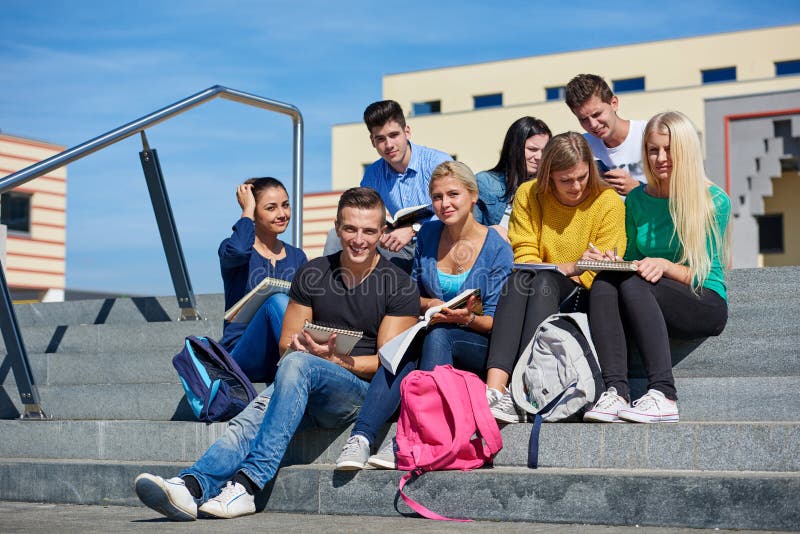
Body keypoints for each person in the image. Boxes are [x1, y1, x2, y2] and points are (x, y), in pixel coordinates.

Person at [134, 187, 419, 520]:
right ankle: (191, 486)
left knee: (295, 370)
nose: (359, 239)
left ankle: (248, 484)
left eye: (369, 231)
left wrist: (336, 360)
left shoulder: (399, 285)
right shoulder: (313, 272)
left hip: (357, 392)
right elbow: (286, 343)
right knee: (256, 414)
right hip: (303, 382)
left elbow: (387, 363)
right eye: (350, 229)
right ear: (337, 227)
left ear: (382, 233)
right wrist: (301, 349)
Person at [334, 160, 512, 470]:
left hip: (477, 341)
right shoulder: (428, 234)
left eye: (453, 194)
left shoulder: (497, 247)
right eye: (438, 197)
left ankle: (412, 435)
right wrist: (431, 305)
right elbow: (411, 295)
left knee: (438, 335)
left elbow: (496, 321)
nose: (445, 204)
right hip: (433, 331)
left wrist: (463, 318)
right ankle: (361, 438)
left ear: (473, 196)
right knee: (401, 350)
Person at [584, 111, 730, 424]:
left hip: (703, 300)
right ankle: (615, 392)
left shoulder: (713, 200)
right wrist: (617, 263)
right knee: (606, 280)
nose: (660, 157)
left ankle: (664, 394)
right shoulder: (636, 199)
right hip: (651, 296)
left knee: (635, 283)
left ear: (686, 151)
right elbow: (637, 258)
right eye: (653, 149)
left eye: (669, 149)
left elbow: (704, 274)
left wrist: (663, 264)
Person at [483, 132, 627, 423]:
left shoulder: (608, 201)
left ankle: (522, 388)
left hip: (584, 295)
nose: (576, 186)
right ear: (548, 176)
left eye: (583, 177)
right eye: (565, 180)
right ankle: (494, 390)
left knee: (541, 282)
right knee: (522, 280)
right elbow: (524, 257)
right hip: (537, 286)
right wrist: (575, 264)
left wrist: (572, 269)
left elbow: (602, 268)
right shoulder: (528, 193)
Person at [323, 100, 452, 271]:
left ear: (407, 132)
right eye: (381, 139)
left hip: (440, 243)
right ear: (372, 141)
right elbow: (361, 216)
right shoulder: (372, 175)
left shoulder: (437, 163)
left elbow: (458, 212)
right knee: (336, 236)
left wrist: (414, 229)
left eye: (394, 135)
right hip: (398, 247)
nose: (389, 145)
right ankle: (330, 291)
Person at [219, 177, 307, 382]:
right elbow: (240, 251)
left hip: (282, 355)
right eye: (271, 208)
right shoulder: (231, 248)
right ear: (254, 212)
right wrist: (247, 210)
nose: (282, 214)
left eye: (285, 205)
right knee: (275, 301)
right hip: (242, 355)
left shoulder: (297, 256)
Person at [565, 74, 646, 197]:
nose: (593, 125)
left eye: (597, 114)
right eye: (583, 119)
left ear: (614, 103)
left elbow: (679, 186)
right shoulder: (581, 146)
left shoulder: (649, 133)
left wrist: (639, 189)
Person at [475, 116, 552, 231]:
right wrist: (491, 233)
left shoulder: (550, 186)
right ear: (514, 148)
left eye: (544, 151)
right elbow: (469, 233)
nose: (539, 157)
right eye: (532, 149)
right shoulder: (484, 183)